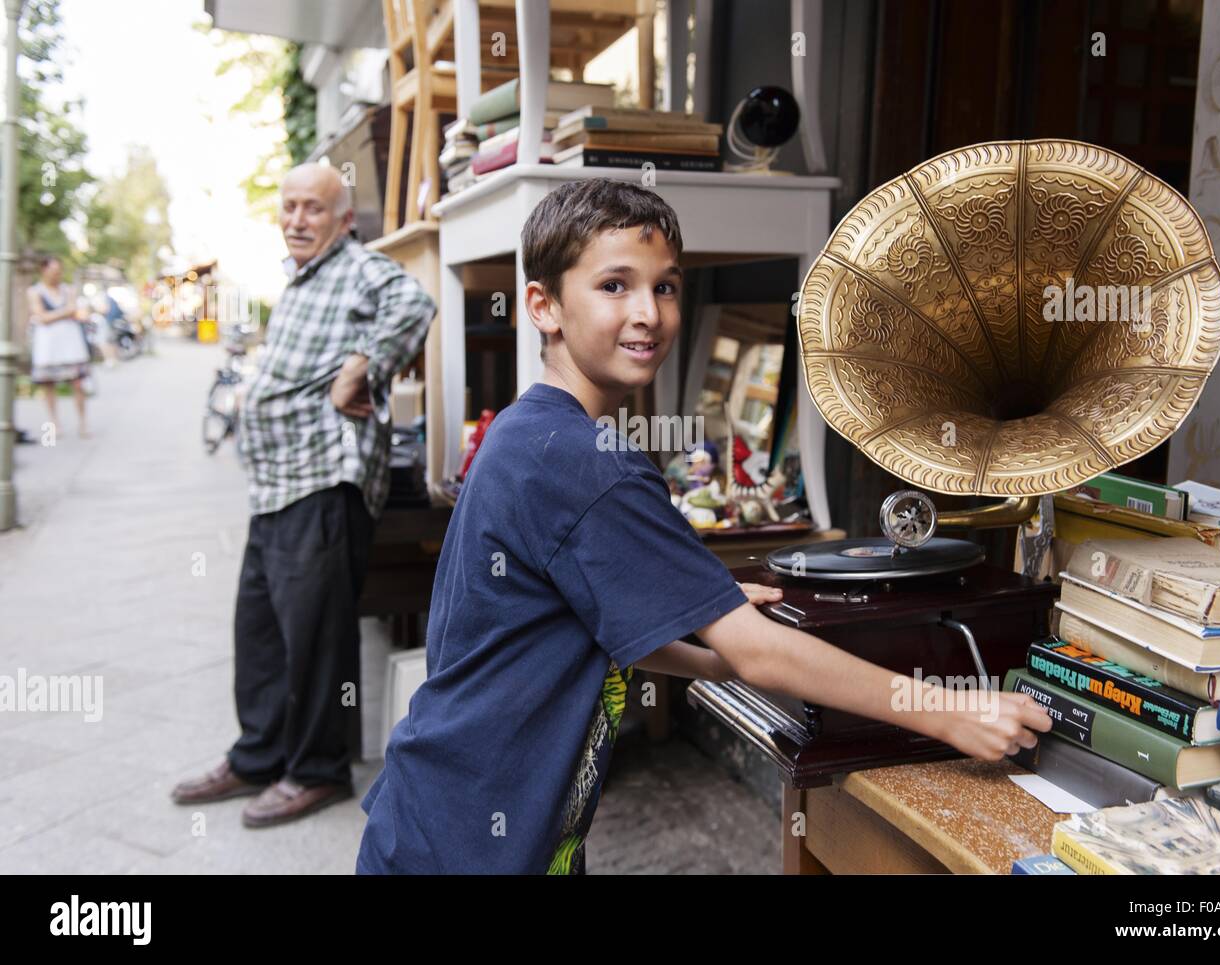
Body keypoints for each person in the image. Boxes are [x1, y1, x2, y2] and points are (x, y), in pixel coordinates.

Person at [354, 177, 1051, 875]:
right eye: (614, 285)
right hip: (466, 846)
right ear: (544, 305)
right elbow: (761, 654)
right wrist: (947, 710)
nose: (648, 313)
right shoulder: (588, 464)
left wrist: (698, 628)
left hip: (439, 818)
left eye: (665, 287)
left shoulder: (523, 430)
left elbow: (583, 630)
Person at [170, 163, 436, 828]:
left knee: (316, 637)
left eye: (313, 209)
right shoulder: (303, 276)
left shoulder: (354, 266)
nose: (296, 220)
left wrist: (361, 366)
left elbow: (416, 304)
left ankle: (318, 770)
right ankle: (259, 753)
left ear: (343, 220)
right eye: (288, 207)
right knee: (259, 629)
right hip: (277, 483)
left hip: (321, 477)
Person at [26, 256, 91, 439]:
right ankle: (54, 426)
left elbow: (53, 315)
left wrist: (51, 316)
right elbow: (41, 317)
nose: (57, 275)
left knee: (78, 384)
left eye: (59, 272)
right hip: (48, 347)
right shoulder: (35, 291)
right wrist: (64, 313)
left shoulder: (67, 289)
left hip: (71, 346)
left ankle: (83, 424)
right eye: (54, 272)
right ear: (43, 271)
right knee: (49, 387)